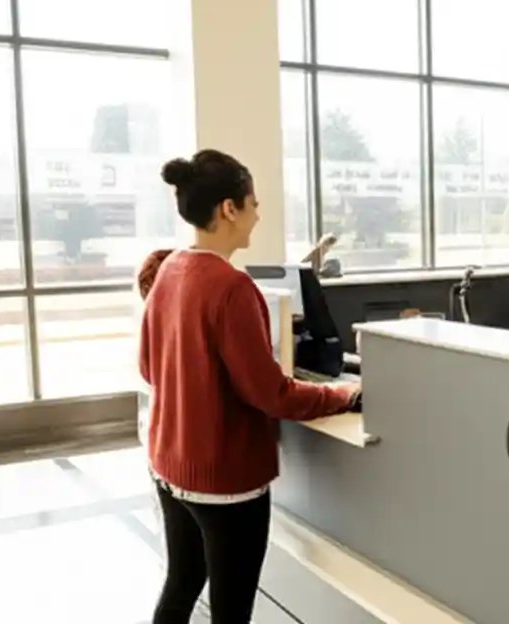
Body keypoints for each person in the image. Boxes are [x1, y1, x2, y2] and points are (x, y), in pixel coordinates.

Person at [138, 149, 360, 624]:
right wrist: (340, 396)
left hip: (169, 466)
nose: (258, 215)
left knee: (181, 583)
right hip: (224, 483)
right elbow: (271, 394)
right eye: (253, 204)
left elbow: (148, 367)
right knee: (231, 612)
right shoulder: (232, 287)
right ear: (229, 209)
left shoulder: (170, 270)